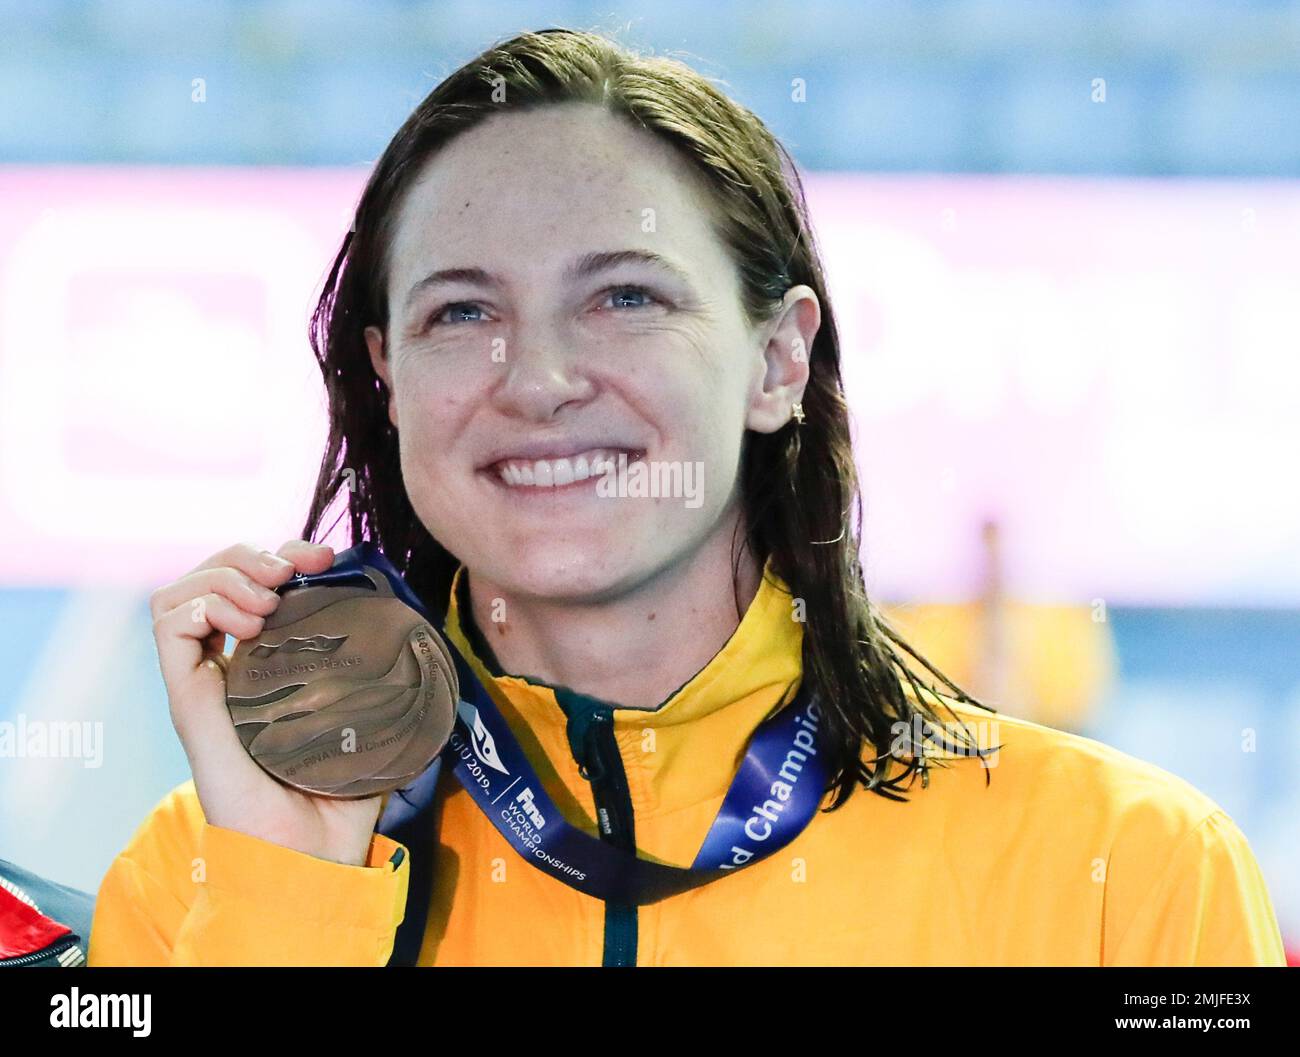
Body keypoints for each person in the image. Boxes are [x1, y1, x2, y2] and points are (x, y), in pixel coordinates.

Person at [88, 28, 1285, 967]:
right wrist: (291, 901)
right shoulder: (203, 871)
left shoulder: (1126, 867)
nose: (540, 379)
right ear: (388, 375)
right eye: (463, 311)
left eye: (624, 298)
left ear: (777, 361)